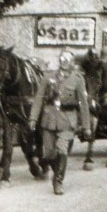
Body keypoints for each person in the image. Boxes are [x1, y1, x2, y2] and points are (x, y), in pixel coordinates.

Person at [29, 50, 91, 194]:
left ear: (72, 62)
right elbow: (38, 99)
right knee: (49, 154)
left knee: (62, 150)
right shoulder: (48, 77)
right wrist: (33, 118)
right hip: (49, 119)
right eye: (62, 58)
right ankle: (57, 171)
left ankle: (58, 181)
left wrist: (86, 126)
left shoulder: (77, 79)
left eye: (67, 59)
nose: (64, 61)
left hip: (67, 120)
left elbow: (83, 104)